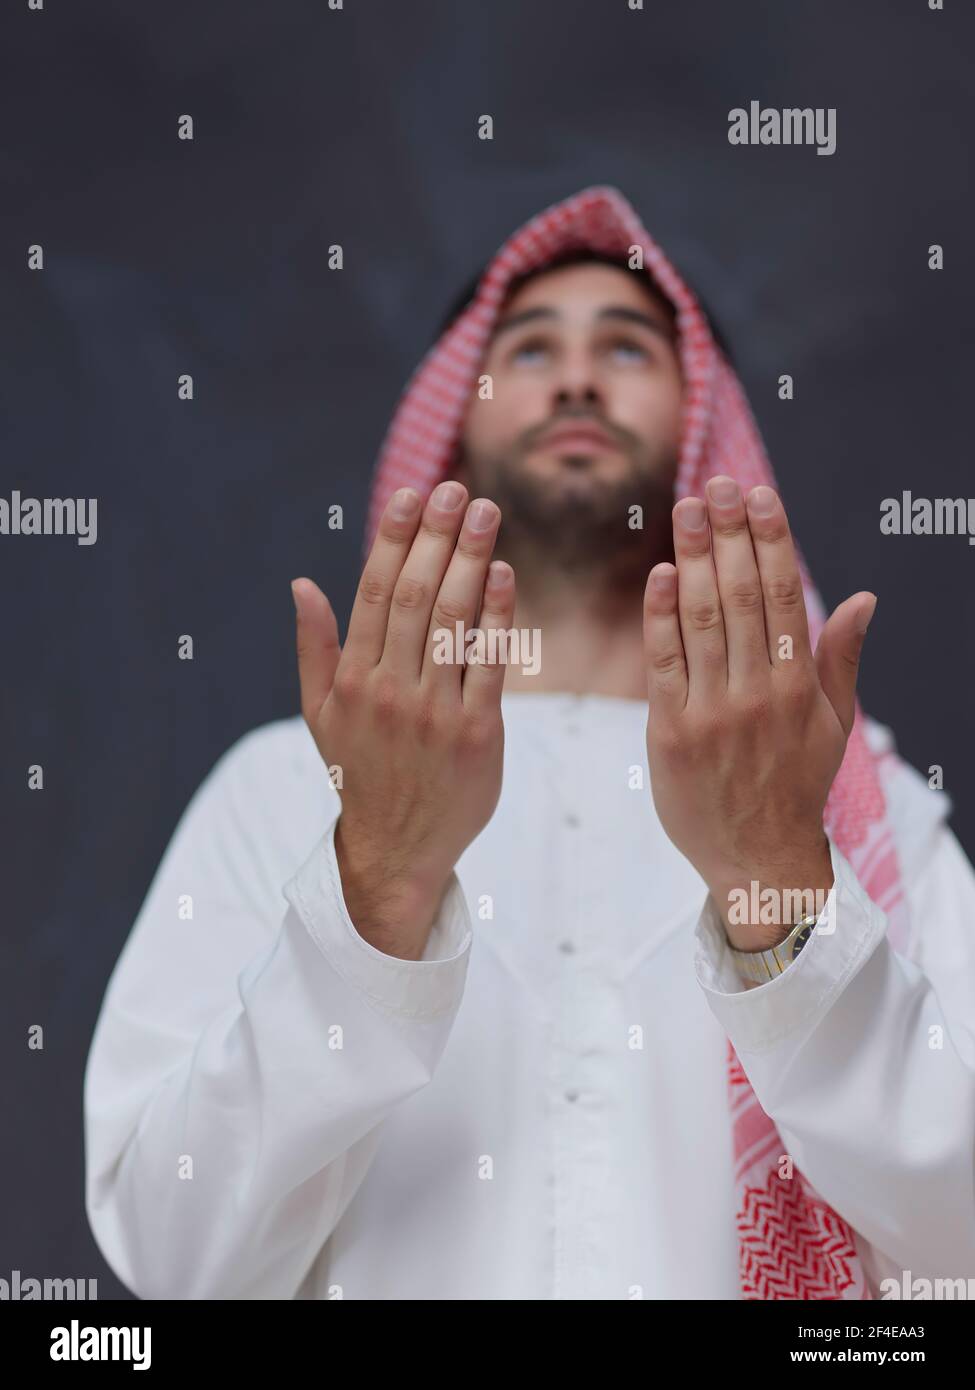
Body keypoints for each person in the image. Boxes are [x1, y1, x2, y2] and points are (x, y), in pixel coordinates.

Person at [83, 185, 975, 1300]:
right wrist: (378, 886)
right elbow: (175, 1255)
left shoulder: (842, 804)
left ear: (703, 421)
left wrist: (779, 883)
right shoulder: (283, 788)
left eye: (629, 347)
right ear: (459, 416)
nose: (578, 377)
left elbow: (965, 1229)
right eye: (532, 347)